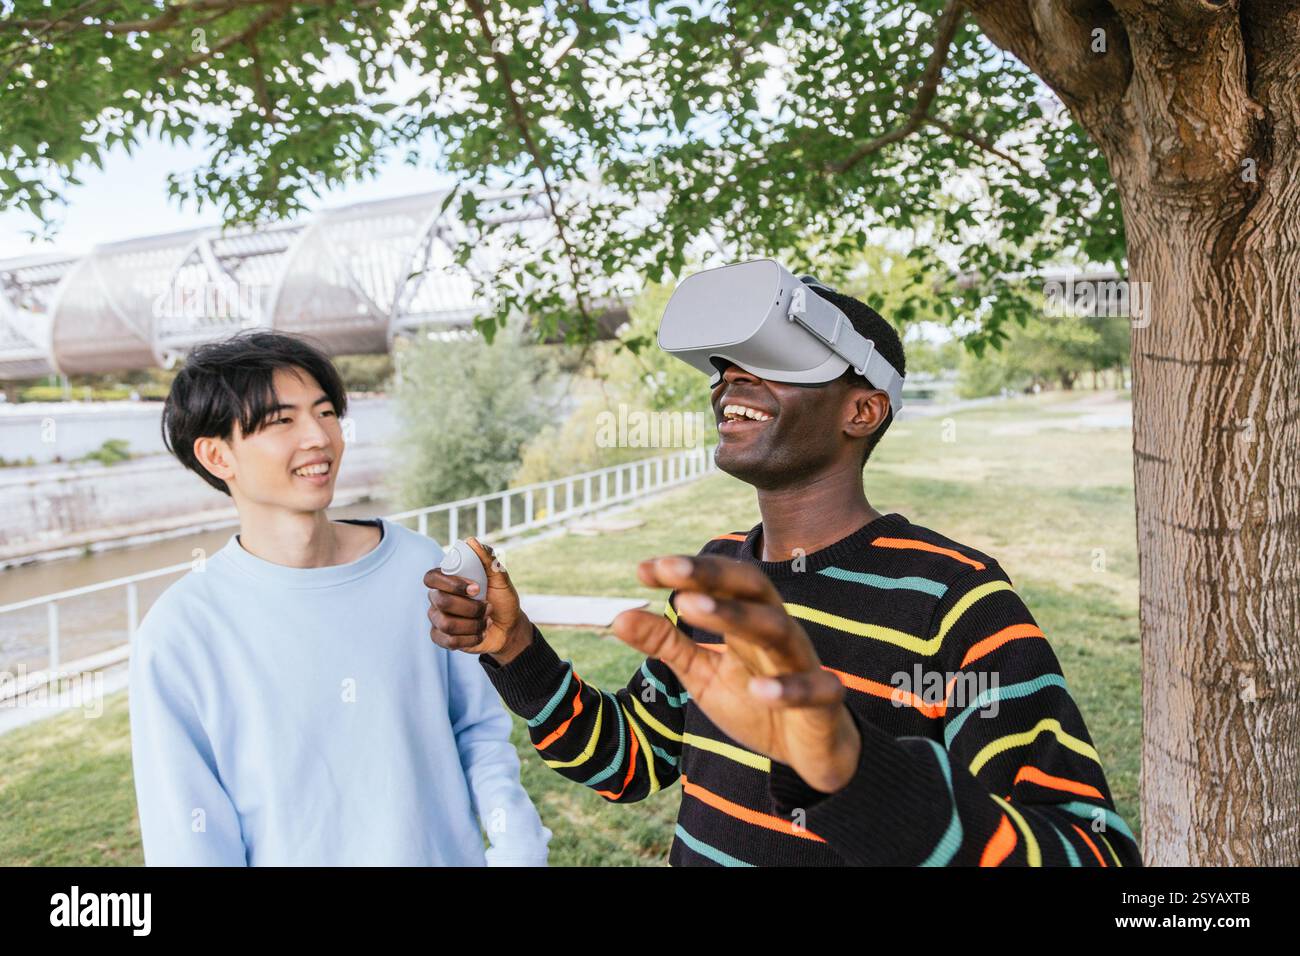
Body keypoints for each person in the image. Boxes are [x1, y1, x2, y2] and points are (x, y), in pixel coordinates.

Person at [425, 282, 1142, 867]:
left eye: (774, 358)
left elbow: (1093, 852)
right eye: (726, 366)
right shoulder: (716, 580)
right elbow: (628, 762)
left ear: (862, 410)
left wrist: (855, 772)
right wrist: (516, 651)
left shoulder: (955, 600)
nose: (730, 379)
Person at [129, 330, 550, 866]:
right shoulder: (180, 631)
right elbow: (189, 837)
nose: (320, 437)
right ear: (217, 456)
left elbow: (477, 729)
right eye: (282, 420)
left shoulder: (419, 567)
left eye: (326, 412)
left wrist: (518, 851)